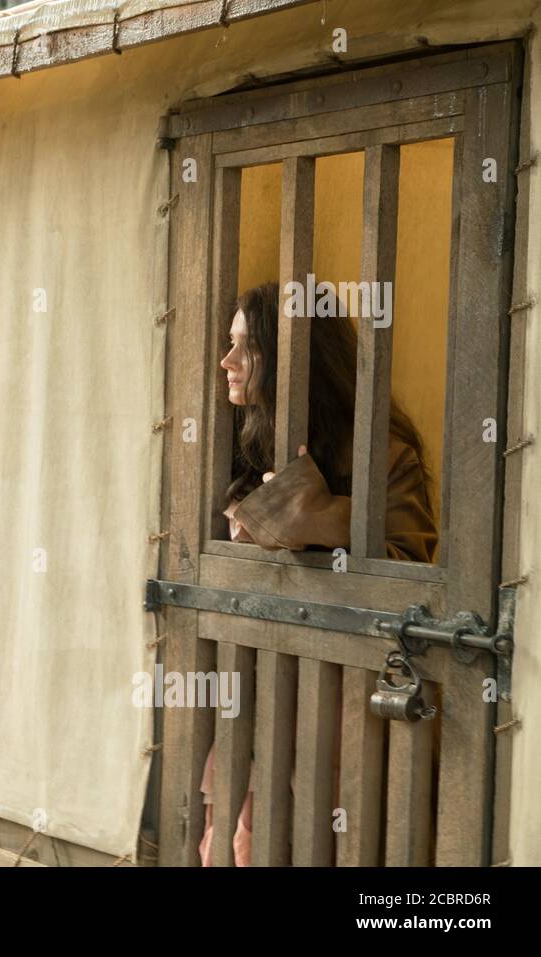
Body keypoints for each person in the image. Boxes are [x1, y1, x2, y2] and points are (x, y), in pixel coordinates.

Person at [199, 281, 438, 866]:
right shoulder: (237, 438)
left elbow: (410, 569)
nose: (227, 361)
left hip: (342, 691)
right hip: (255, 676)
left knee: (329, 840)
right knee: (240, 840)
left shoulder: (378, 450)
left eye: (246, 347)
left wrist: (313, 517)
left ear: (294, 359)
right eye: (230, 345)